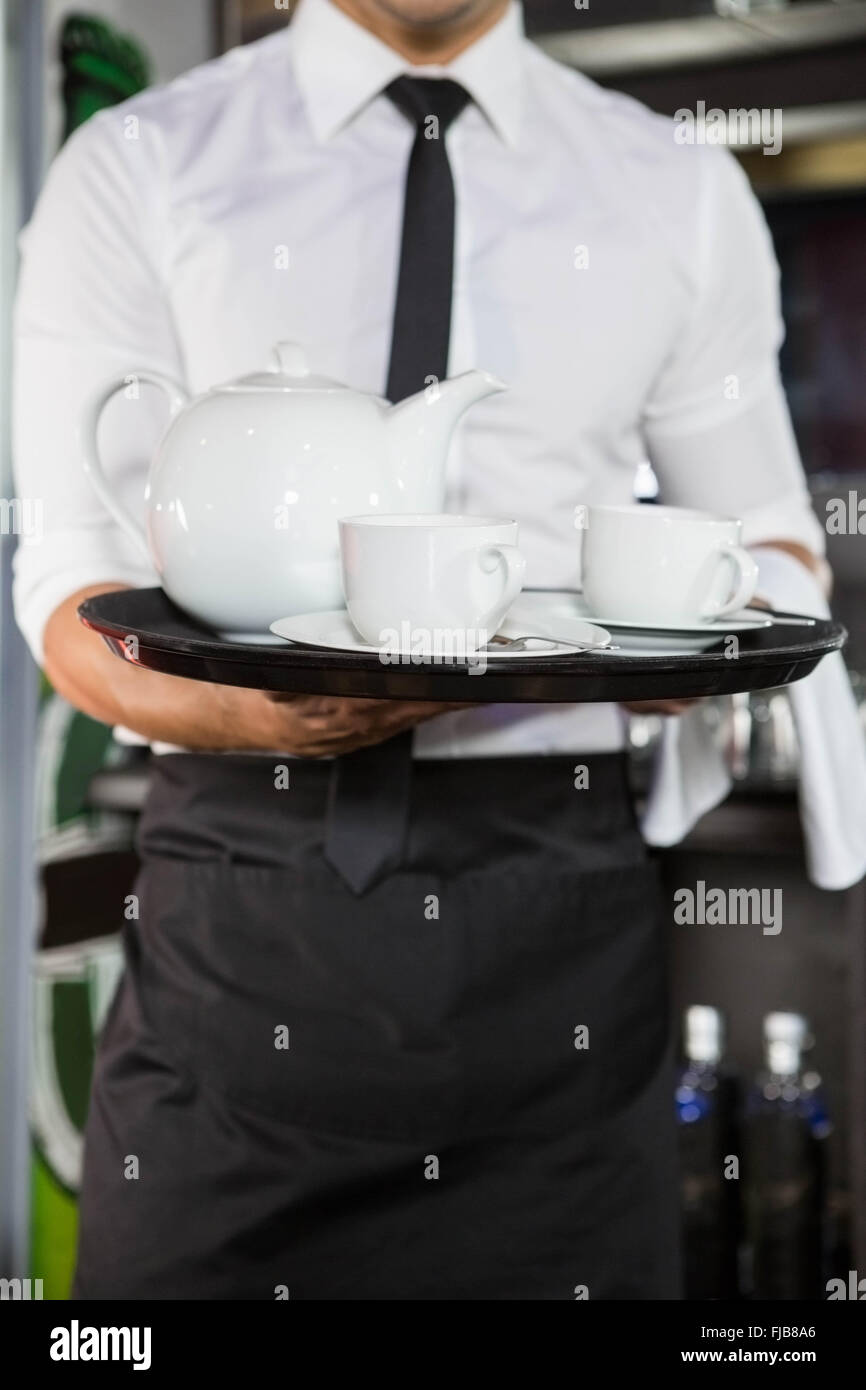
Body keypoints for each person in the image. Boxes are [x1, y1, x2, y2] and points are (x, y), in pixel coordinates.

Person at [14, 0, 825, 1299]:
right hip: (243, 921)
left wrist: (662, 633)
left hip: (557, 944)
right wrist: (262, 717)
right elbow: (69, 592)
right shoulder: (141, 163)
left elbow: (775, 552)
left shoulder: (676, 188)